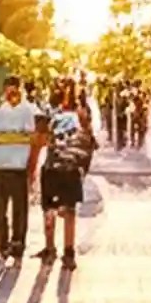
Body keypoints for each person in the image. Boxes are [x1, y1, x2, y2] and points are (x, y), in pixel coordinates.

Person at [32, 81, 95, 269]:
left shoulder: (49, 113)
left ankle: (50, 248)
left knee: (49, 209)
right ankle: (68, 252)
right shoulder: (82, 114)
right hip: (71, 167)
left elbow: (39, 141)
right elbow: (89, 141)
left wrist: (31, 170)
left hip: (52, 166)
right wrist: (84, 167)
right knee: (69, 210)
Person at [0, 75, 41, 262]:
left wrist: (32, 168)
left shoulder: (30, 112)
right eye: (9, 89)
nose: (12, 93)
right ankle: (2, 244)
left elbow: (35, 140)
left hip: (19, 168)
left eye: (16, 90)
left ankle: (17, 245)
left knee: (19, 211)